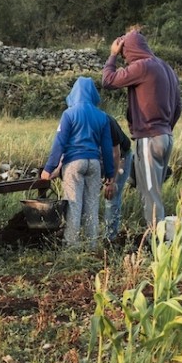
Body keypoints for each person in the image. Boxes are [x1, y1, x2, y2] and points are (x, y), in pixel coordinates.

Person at [101, 28, 181, 229]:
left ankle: (158, 243)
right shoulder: (166, 68)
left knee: (150, 195)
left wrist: (112, 55)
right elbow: (178, 107)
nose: (125, 58)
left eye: (124, 53)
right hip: (166, 136)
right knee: (148, 185)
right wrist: (165, 128)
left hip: (149, 137)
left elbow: (108, 81)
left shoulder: (142, 66)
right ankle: (135, 177)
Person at [39, 77, 116, 248]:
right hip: (94, 164)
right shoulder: (102, 117)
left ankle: (71, 248)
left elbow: (60, 143)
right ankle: (92, 246)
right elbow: (107, 147)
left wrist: (48, 168)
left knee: (74, 205)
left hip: (74, 163)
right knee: (92, 206)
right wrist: (110, 174)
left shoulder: (69, 114)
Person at [102, 112, 132, 242]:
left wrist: (111, 181)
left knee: (111, 197)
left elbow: (116, 154)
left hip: (121, 158)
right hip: (100, 157)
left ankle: (110, 238)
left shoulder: (108, 121)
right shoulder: (79, 118)